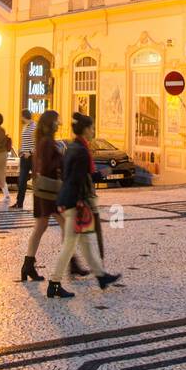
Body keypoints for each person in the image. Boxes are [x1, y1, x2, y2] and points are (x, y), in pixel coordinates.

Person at [47, 113, 120, 297]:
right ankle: (54, 283)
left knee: (86, 241)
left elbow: (68, 174)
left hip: (70, 199)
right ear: (86, 129)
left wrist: (100, 174)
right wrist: (102, 174)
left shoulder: (73, 146)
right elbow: (80, 178)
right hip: (75, 203)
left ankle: (101, 276)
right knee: (69, 245)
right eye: (92, 127)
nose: (93, 130)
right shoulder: (81, 151)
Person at [20, 110, 63, 281]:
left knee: (40, 227)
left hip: (43, 191)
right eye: (57, 121)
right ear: (51, 124)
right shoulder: (46, 142)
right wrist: (60, 159)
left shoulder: (43, 141)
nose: (59, 124)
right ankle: (70, 264)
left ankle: (28, 265)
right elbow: (46, 166)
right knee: (67, 226)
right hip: (49, 192)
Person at [11, 109, 35, 209]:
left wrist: (30, 153)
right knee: (21, 181)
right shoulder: (24, 127)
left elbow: (37, 143)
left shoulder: (34, 126)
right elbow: (24, 141)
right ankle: (19, 203)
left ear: (24, 116)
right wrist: (20, 150)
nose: (20, 118)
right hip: (23, 157)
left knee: (37, 181)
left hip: (32, 157)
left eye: (21, 116)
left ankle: (41, 203)